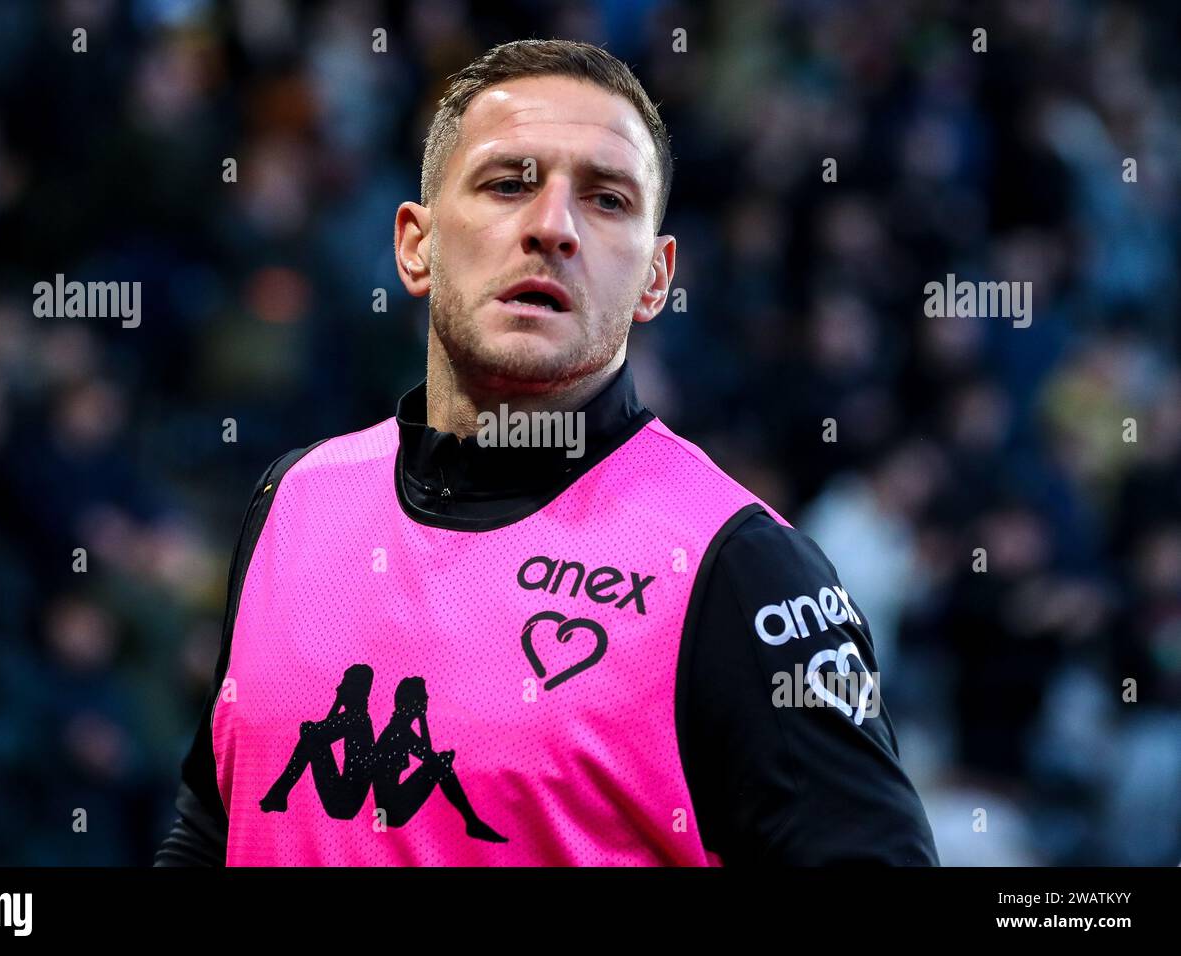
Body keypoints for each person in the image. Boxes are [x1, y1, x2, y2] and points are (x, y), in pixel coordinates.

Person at [155, 38, 938, 866]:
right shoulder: (292, 502)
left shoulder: (740, 572)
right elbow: (213, 825)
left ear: (654, 279)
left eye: (606, 200)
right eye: (507, 184)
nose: (553, 227)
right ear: (415, 245)